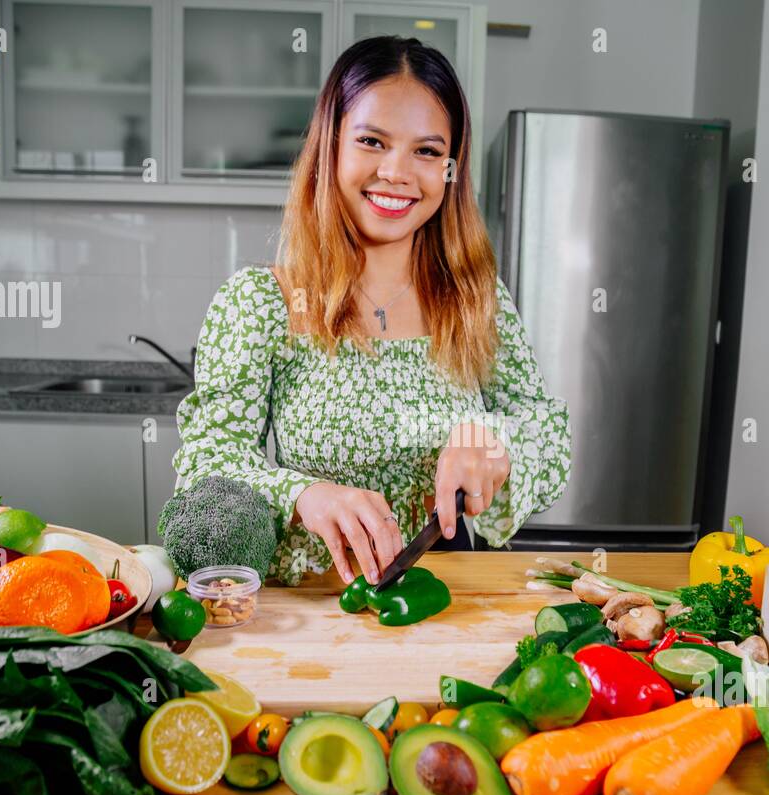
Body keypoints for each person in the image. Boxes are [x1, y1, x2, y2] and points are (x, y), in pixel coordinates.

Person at [173, 35, 571, 587]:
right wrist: (302, 494)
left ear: (450, 170)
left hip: (448, 597)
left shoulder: (476, 300)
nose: (397, 172)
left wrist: (493, 439)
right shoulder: (260, 303)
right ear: (330, 146)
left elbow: (548, 434)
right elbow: (206, 464)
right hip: (315, 603)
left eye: (427, 152)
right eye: (372, 140)